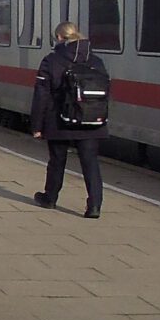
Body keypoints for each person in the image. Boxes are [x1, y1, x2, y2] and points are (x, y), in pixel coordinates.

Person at [32, 19, 106, 219]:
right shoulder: (95, 60)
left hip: (59, 120)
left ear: (58, 37)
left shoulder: (52, 60)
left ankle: (50, 198)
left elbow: (42, 95)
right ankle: (94, 206)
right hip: (90, 120)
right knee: (90, 162)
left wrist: (37, 126)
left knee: (57, 161)